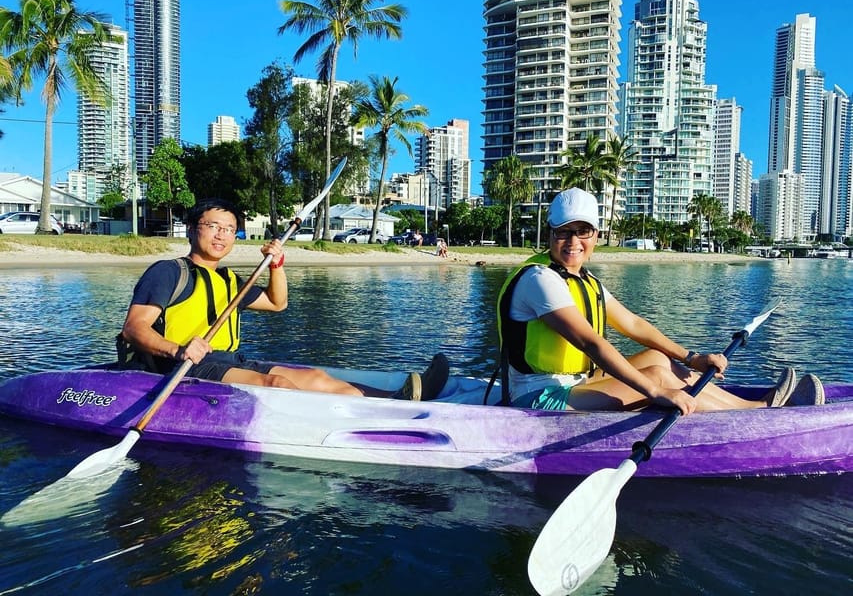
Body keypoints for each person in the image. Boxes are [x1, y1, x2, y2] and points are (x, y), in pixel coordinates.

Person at [496, 187, 825, 413]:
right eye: (562, 231)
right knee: (657, 378)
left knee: (659, 358)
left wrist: (692, 357)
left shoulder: (585, 280)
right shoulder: (540, 280)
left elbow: (633, 324)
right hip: (538, 398)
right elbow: (591, 343)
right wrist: (655, 392)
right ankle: (759, 412)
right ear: (550, 233)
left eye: (582, 231)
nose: (573, 241)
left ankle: (746, 404)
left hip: (578, 382)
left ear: (595, 234)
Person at [118, 198, 448, 401]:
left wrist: (276, 266)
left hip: (226, 360)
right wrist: (178, 349)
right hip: (179, 366)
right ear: (192, 229)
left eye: (230, 229)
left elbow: (277, 303)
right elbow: (134, 329)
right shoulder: (168, 272)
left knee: (316, 378)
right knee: (277, 384)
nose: (221, 235)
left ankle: (398, 401)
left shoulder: (228, 279)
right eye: (213, 226)